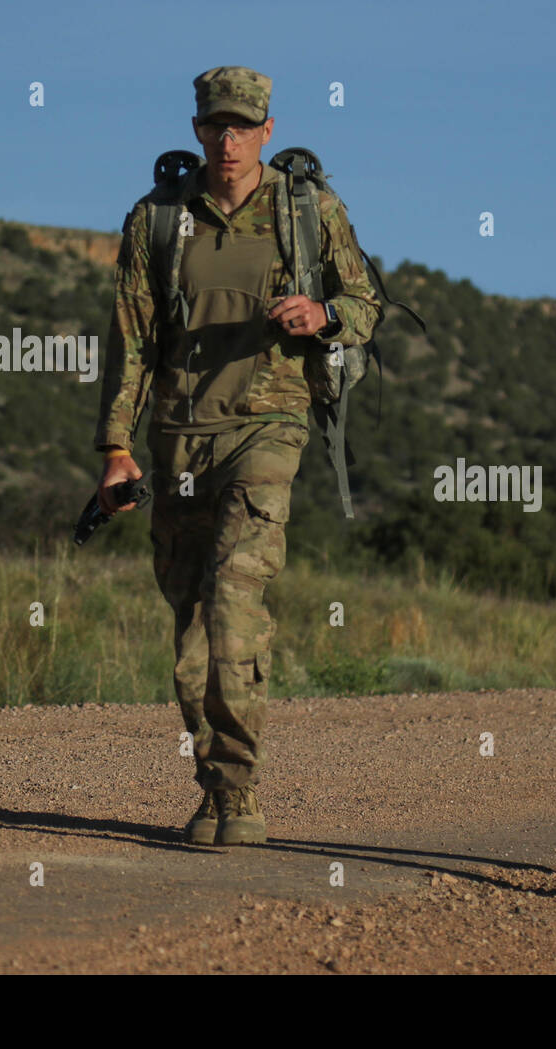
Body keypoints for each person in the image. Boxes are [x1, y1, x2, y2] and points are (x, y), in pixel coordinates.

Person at [93, 67, 380, 846]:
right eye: (216, 125)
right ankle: (213, 786)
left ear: (267, 130)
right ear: (197, 130)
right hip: (180, 437)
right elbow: (131, 340)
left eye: (243, 126)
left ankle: (242, 790)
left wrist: (322, 312)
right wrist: (118, 448)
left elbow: (365, 305)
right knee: (188, 634)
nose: (229, 139)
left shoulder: (305, 207)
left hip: (267, 429)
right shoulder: (156, 219)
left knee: (232, 604)